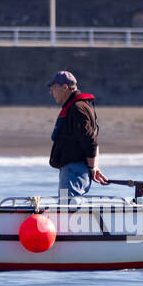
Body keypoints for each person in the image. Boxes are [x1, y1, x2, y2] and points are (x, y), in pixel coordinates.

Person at [46, 70, 107, 198]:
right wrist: (93, 166)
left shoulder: (78, 108)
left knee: (68, 209)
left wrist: (93, 167)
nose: (51, 93)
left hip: (74, 171)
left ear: (65, 87)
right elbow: (92, 139)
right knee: (64, 206)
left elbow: (91, 140)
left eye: (54, 88)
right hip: (71, 170)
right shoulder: (79, 106)